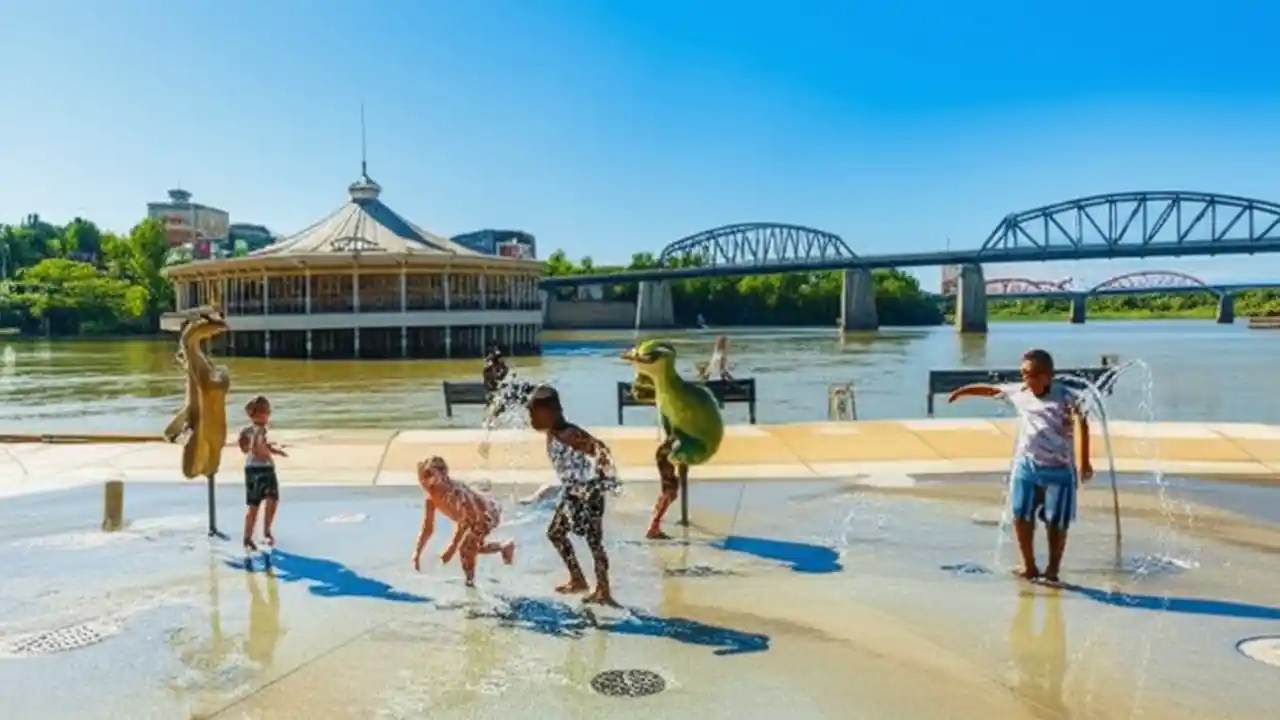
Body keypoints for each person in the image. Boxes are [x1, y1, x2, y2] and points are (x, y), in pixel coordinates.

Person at [948, 348, 1093, 583]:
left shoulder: (1066, 397)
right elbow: (992, 390)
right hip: (1027, 465)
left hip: (1059, 468)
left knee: (1057, 521)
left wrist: (1084, 461)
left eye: (1034, 375)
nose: (1028, 380)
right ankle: (1029, 565)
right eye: (1024, 374)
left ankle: (1053, 569)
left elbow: (1083, 424)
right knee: (1021, 515)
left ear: (1048, 376)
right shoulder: (1021, 392)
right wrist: (962, 391)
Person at [526, 384, 620, 606]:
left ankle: (604, 590)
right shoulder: (554, 431)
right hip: (572, 492)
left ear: (551, 412)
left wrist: (601, 482)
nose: (531, 420)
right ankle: (578, 579)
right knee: (556, 533)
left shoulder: (569, 434)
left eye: (534, 414)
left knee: (594, 542)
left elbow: (602, 451)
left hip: (588, 492)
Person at [411, 456, 515, 586]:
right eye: (422, 477)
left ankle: (470, 584)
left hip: (486, 513)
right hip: (476, 516)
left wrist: (453, 547)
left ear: (443, 476)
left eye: (429, 476)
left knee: (466, 549)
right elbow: (428, 529)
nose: (425, 482)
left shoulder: (454, 493)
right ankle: (504, 547)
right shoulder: (431, 500)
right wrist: (417, 554)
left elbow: (469, 519)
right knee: (473, 546)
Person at [238, 396, 287, 552]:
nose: (269, 414)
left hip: (251, 469)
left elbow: (246, 446)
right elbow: (256, 446)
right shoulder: (260, 430)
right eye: (266, 411)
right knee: (272, 499)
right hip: (264, 468)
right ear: (258, 414)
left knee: (253, 504)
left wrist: (274, 451)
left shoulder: (247, 430)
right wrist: (264, 453)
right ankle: (266, 531)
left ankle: (247, 537)